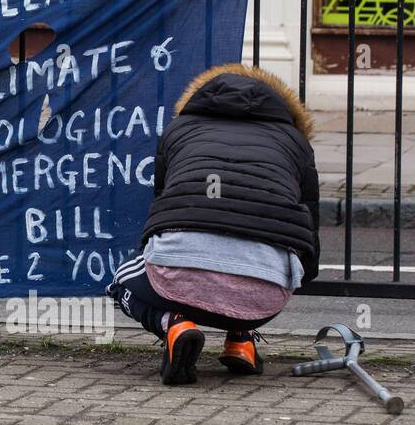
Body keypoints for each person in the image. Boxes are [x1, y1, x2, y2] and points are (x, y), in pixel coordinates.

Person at [107, 64, 320, 385]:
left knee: (120, 280)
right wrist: (299, 277)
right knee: (247, 249)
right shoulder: (295, 142)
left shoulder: (179, 131)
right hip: (264, 295)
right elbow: (310, 225)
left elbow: (164, 209)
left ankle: (175, 324)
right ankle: (241, 341)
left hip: (179, 273)